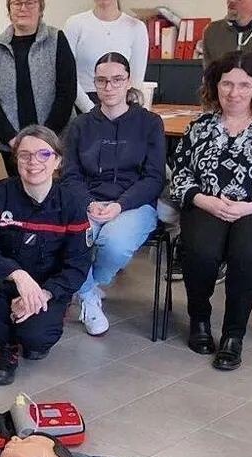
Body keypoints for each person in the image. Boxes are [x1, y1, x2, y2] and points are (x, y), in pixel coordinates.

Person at [169, 51, 252, 371]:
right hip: (208, 203)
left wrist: (251, 204)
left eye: (244, 85)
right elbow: (179, 173)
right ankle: (199, 321)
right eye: (226, 83)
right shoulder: (199, 126)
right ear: (214, 86)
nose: (234, 92)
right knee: (200, 250)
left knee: (245, 252)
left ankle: (233, 335)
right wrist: (202, 199)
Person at [0, 125, 91, 386]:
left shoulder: (72, 203)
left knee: (36, 343)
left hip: (46, 288)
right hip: (5, 281)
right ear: (16, 160)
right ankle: (4, 348)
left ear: (57, 160)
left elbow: (77, 264)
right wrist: (18, 276)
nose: (33, 162)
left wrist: (43, 293)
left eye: (43, 155)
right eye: (25, 155)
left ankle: (28, 324)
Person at [62, 52, 165, 336]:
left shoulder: (150, 123)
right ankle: (88, 297)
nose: (109, 87)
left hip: (134, 204)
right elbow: (69, 175)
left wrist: (120, 205)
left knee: (114, 243)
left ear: (128, 82)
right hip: (89, 202)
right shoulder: (81, 125)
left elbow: (154, 177)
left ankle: (89, 284)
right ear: (94, 83)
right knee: (68, 238)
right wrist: (89, 203)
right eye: (102, 81)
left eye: (117, 80)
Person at [0, 0, 77, 176]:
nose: (23, 8)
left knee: (56, 196)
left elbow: (67, 92)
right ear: (9, 10)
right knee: (20, 198)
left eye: (30, 3)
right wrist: (12, 138)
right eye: (17, 3)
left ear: (41, 9)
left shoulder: (56, 40)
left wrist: (45, 139)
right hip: (13, 146)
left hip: (56, 141)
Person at [62, 0, 148, 114]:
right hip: (82, 106)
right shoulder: (74, 24)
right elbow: (67, 75)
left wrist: (121, 111)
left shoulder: (136, 27)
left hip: (121, 108)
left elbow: (136, 80)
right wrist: (91, 111)